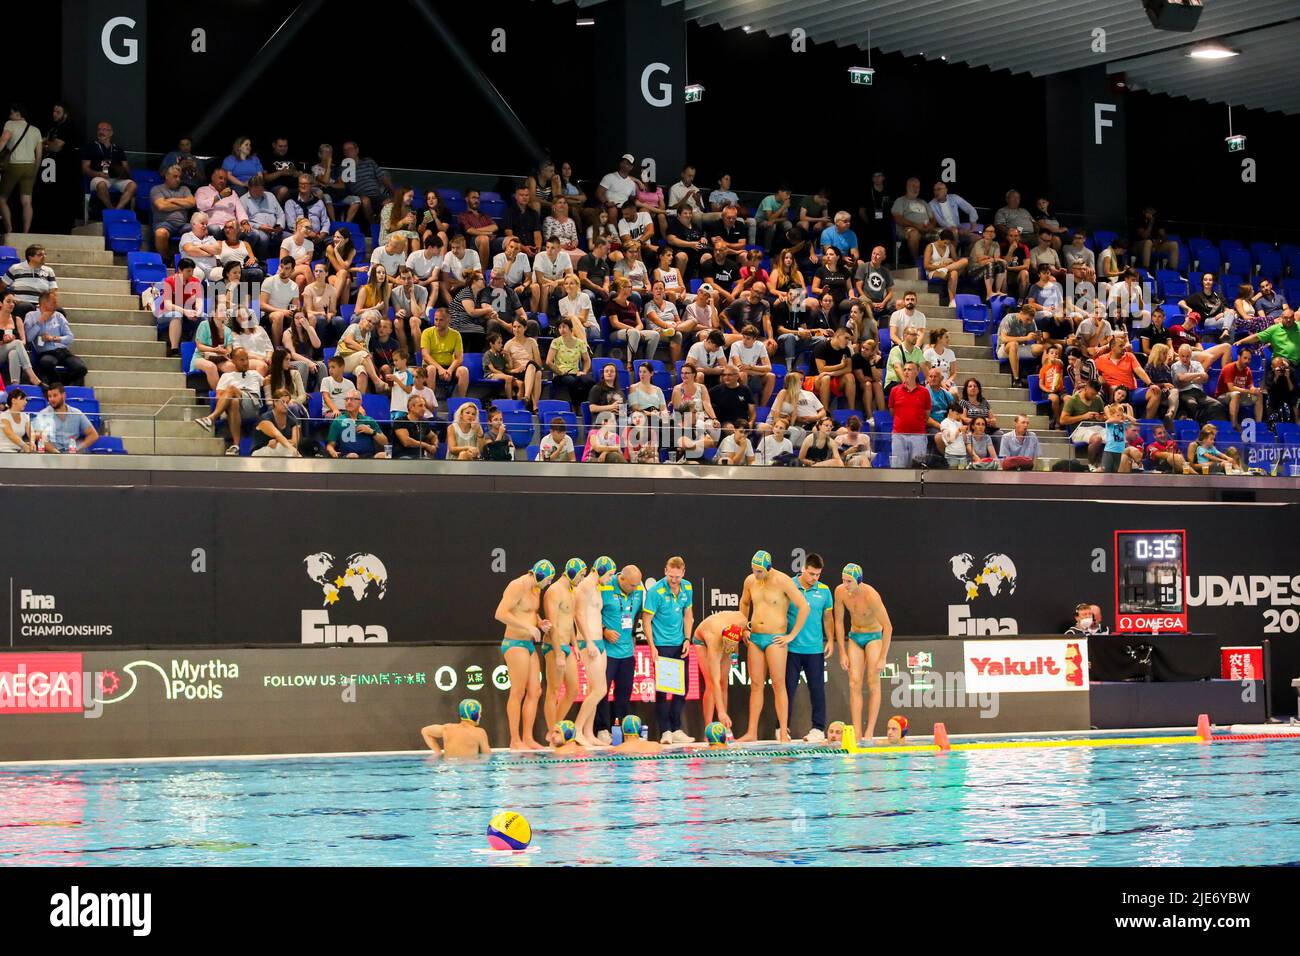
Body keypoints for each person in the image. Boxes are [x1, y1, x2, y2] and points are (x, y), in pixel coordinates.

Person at [738, 550, 810, 744]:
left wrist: (791, 635)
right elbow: (744, 603)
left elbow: (804, 606)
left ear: (768, 568)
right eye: (753, 570)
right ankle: (751, 732)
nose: (756, 574)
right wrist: (744, 627)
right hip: (756, 638)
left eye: (759, 571)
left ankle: (783, 733)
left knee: (779, 685)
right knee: (756, 685)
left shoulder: (783, 581)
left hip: (775, 639)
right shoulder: (750, 581)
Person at [495, 560, 556, 751]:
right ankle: (515, 740)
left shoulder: (536, 590)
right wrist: (527, 626)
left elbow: (530, 612)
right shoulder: (517, 586)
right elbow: (500, 613)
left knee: (535, 691)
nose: (547, 584)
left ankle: (528, 738)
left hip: (528, 644)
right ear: (538, 576)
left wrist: (539, 623)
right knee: (518, 692)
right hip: (514, 643)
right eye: (547, 580)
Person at [833, 562, 893, 744]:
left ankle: (869, 731)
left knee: (872, 681)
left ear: (858, 581)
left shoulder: (871, 596)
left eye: (849, 581)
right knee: (854, 683)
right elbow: (838, 622)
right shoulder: (840, 592)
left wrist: (883, 657)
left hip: (874, 636)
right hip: (855, 636)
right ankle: (857, 731)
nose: (845, 585)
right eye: (843, 580)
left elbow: (888, 627)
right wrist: (842, 652)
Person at [641, 557, 696, 744]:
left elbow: (688, 615)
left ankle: (676, 728)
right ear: (665, 571)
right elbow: (646, 620)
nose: (674, 580)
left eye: (678, 577)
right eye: (671, 576)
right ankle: (665, 731)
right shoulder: (656, 591)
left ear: (683, 573)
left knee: (682, 688)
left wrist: (688, 638)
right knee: (663, 689)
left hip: (680, 643)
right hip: (662, 645)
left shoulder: (687, 587)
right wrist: (652, 647)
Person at [784, 554, 836, 742]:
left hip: (815, 649)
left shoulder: (824, 591)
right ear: (803, 568)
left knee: (817, 690)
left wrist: (830, 640)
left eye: (818, 575)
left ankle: (818, 728)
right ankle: (782, 727)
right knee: (786, 689)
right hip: (791, 649)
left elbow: (828, 618)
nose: (815, 578)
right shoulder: (789, 586)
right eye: (812, 573)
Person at [540, 559, 586, 746]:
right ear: (573, 572)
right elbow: (553, 624)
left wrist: (574, 646)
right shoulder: (554, 591)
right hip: (553, 646)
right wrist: (558, 653)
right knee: (553, 691)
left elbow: (570, 622)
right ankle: (553, 737)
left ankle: (553, 730)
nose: (582, 579)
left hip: (567, 645)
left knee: (573, 689)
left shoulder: (571, 591)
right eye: (581, 575)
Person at [572, 555, 617, 746]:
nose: (610, 579)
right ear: (600, 571)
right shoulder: (584, 587)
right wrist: (589, 642)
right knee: (600, 689)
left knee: (594, 689)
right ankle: (577, 730)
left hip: (599, 642)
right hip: (589, 643)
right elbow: (578, 615)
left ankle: (589, 733)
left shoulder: (596, 587)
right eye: (609, 575)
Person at [193, 348, 263, 453]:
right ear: (233, 361)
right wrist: (231, 395)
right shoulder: (226, 376)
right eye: (242, 360)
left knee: (231, 389)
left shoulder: (255, 374)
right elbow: (219, 396)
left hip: (252, 404)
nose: (246, 363)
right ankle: (236, 445)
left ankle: (211, 418)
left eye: (246, 359)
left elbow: (268, 382)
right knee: (233, 401)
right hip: (233, 406)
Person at [24, 292, 86, 386]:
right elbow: (29, 338)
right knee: (46, 363)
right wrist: (40, 321)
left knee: (81, 368)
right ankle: (58, 385)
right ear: (45, 303)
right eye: (54, 302)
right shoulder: (31, 316)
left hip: (63, 351)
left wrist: (54, 338)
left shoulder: (59, 316)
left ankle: (62, 384)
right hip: (46, 352)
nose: (56, 305)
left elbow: (70, 337)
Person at [0, 104, 41, 234]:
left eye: (11, 113)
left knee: (1, 199)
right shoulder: (36, 130)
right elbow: (39, 154)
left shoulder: (10, 124)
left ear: (18, 114)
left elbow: (4, 139)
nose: (9, 116)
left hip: (15, 165)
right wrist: (35, 170)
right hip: (30, 166)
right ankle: (26, 233)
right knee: (27, 202)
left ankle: (9, 229)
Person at [82, 120, 136, 211]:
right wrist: (98, 174)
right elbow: (84, 168)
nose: (101, 132)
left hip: (116, 178)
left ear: (111, 133)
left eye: (104, 129)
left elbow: (126, 166)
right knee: (102, 184)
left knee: (133, 185)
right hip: (98, 177)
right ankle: (111, 209)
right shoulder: (90, 147)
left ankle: (117, 211)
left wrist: (125, 175)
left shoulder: (117, 149)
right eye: (99, 129)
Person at [31, 383, 99, 453]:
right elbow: (39, 437)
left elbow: (93, 435)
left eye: (55, 395)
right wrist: (55, 452)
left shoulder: (77, 413)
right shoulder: (43, 414)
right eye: (49, 396)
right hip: (51, 454)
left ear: (63, 395)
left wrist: (78, 448)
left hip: (72, 454)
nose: (52, 399)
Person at [420, 308, 470, 399]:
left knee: (464, 371)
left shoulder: (456, 334)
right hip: (432, 366)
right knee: (431, 369)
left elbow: (459, 358)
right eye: (436, 319)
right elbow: (425, 355)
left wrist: (450, 370)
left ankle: (460, 402)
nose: (437, 322)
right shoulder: (427, 333)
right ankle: (430, 401)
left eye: (441, 320)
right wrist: (440, 369)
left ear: (448, 320)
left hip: (449, 367)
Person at [545, 318, 593, 411]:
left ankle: (585, 404)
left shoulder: (580, 343)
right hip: (560, 374)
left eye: (564, 327)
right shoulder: (556, 342)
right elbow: (548, 362)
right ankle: (576, 406)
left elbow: (587, 360)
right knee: (573, 382)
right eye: (559, 327)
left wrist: (584, 371)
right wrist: (560, 372)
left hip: (576, 373)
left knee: (589, 381)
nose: (561, 329)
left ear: (570, 328)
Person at [888, 362, 931, 468]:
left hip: (918, 435)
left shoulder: (925, 392)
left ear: (917, 372)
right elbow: (892, 410)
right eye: (905, 369)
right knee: (898, 468)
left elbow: (927, 413)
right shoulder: (895, 390)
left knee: (917, 468)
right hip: (899, 435)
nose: (906, 372)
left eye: (910, 369)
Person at [324, 389, 388, 459]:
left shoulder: (368, 420)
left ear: (360, 402)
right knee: (353, 456)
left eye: (352, 399)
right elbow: (330, 445)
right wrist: (332, 451)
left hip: (369, 456)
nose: (348, 402)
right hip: (347, 456)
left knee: (384, 455)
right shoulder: (338, 420)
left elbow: (385, 442)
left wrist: (371, 432)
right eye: (346, 399)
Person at [150, 165, 196, 256]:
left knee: (199, 229)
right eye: (175, 176)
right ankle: (165, 260)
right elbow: (161, 206)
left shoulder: (184, 189)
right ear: (167, 176)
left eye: (179, 177)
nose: (178, 179)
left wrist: (172, 200)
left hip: (183, 225)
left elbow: (192, 203)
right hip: (164, 223)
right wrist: (183, 204)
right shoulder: (157, 189)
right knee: (160, 233)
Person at [997, 302, 1046, 388]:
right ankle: (1016, 379)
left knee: (1042, 348)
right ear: (1021, 313)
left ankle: (1042, 376)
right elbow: (1004, 339)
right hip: (1004, 349)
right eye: (1027, 319)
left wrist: (1039, 339)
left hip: (1021, 348)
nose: (1029, 322)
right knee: (1013, 344)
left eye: (1031, 320)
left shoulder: (1031, 321)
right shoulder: (1009, 318)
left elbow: (1038, 341)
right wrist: (1026, 338)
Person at [421, 699, 492, 757]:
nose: (480, 716)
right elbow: (487, 756)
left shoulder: (447, 728)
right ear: (474, 714)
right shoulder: (480, 732)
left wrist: (438, 753)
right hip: (469, 771)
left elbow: (425, 731)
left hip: (449, 770)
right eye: (479, 713)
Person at [891, 177, 938, 264]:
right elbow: (898, 218)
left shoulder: (923, 202)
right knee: (914, 234)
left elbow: (933, 218)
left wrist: (931, 226)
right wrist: (916, 225)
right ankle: (916, 262)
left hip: (926, 229)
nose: (916, 189)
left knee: (944, 232)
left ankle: (939, 261)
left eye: (918, 187)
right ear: (907, 186)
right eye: (914, 186)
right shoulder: (901, 201)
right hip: (908, 229)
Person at [3, 244, 58, 318]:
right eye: (40, 255)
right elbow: (2, 286)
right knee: (26, 307)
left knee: (60, 311)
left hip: (41, 304)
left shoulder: (49, 271)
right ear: (30, 257)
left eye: (45, 254)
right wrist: (10, 297)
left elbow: (53, 291)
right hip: (20, 302)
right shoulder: (16, 268)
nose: (44, 257)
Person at [1216, 346, 1263, 430]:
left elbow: (1250, 386)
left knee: (1258, 396)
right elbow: (1231, 388)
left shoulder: (1247, 370)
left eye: (1249, 359)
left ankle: (1258, 425)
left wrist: (1255, 390)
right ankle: (1234, 425)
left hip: (1241, 395)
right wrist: (1248, 391)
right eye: (1245, 358)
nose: (1247, 361)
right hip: (1223, 396)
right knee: (1236, 394)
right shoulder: (1229, 368)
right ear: (1239, 357)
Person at [251, 388, 303, 458]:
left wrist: (277, 441)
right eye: (282, 402)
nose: (285, 405)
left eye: (287, 402)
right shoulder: (264, 419)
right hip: (259, 453)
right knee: (283, 448)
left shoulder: (293, 420)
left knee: (282, 447)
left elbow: (294, 443)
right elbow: (277, 434)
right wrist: (288, 446)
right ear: (275, 402)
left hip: (282, 450)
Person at [924, 229, 968, 302]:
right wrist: (940, 266)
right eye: (945, 243)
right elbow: (926, 266)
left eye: (948, 243)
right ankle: (945, 269)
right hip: (934, 271)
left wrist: (950, 262)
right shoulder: (930, 247)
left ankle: (952, 301)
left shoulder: (950, 246)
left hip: (947, 269)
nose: (946, 245)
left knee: (962, 263)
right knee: (951, 273)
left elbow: (956, 262)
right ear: (940, 239)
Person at [391, 394, 439, 460]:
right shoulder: (400, 421)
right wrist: (427, 446)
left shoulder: (423, 422)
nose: (424, 409)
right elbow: (406, 442)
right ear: (411, 407)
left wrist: (434, 445)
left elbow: (433, 436)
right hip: (402, 456)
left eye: (424, 406)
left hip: (420, 457)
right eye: (420, 406)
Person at [1101, 396, 1141, 474]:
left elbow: (1134, 421)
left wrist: (1126, 412)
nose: (1120, 417)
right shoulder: (1109, 422)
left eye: (1121, 415)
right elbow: (1110, 420)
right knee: (1106, 472)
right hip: (1109, 450)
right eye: (1118, 415)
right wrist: (1120, 419)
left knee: (1117, 473)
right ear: (1112, 415)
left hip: (1120, 451)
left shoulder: (1123, 424)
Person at [0, 387, 36, 453]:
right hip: (3, 452)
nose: (26, 402)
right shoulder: (3, 416)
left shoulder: (25, 416)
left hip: (19, 452)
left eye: (26, 400)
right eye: (23, 399)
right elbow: (10, 434)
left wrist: (32, 442)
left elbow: (31, 432)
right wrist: (24, 445)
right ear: (13, 400)